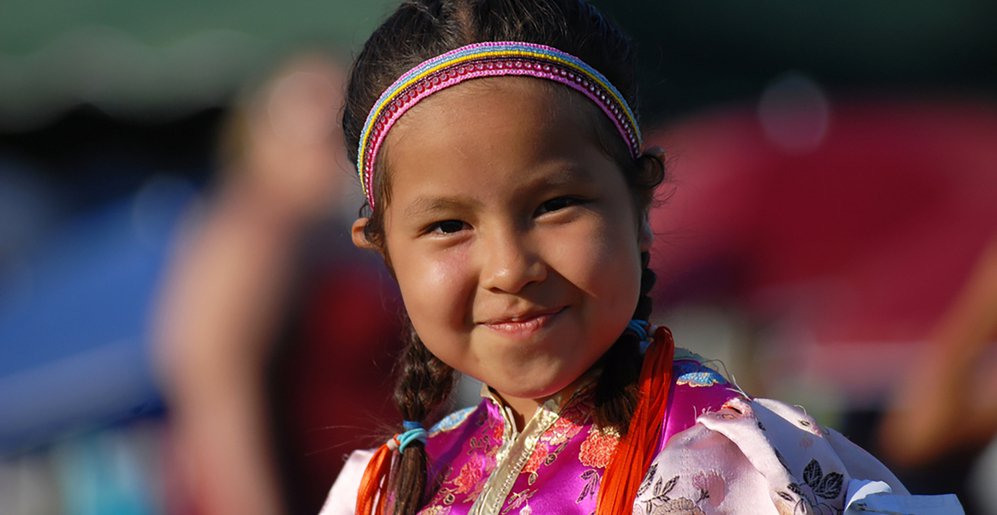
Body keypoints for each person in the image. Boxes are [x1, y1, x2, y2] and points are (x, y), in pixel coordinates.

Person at [321, 1, 961, 514]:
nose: (511, 268)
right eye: (448, 225)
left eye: (554, 204)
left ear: (640, 210)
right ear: (383, 251)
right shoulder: (380, 491)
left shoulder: (729, 467)